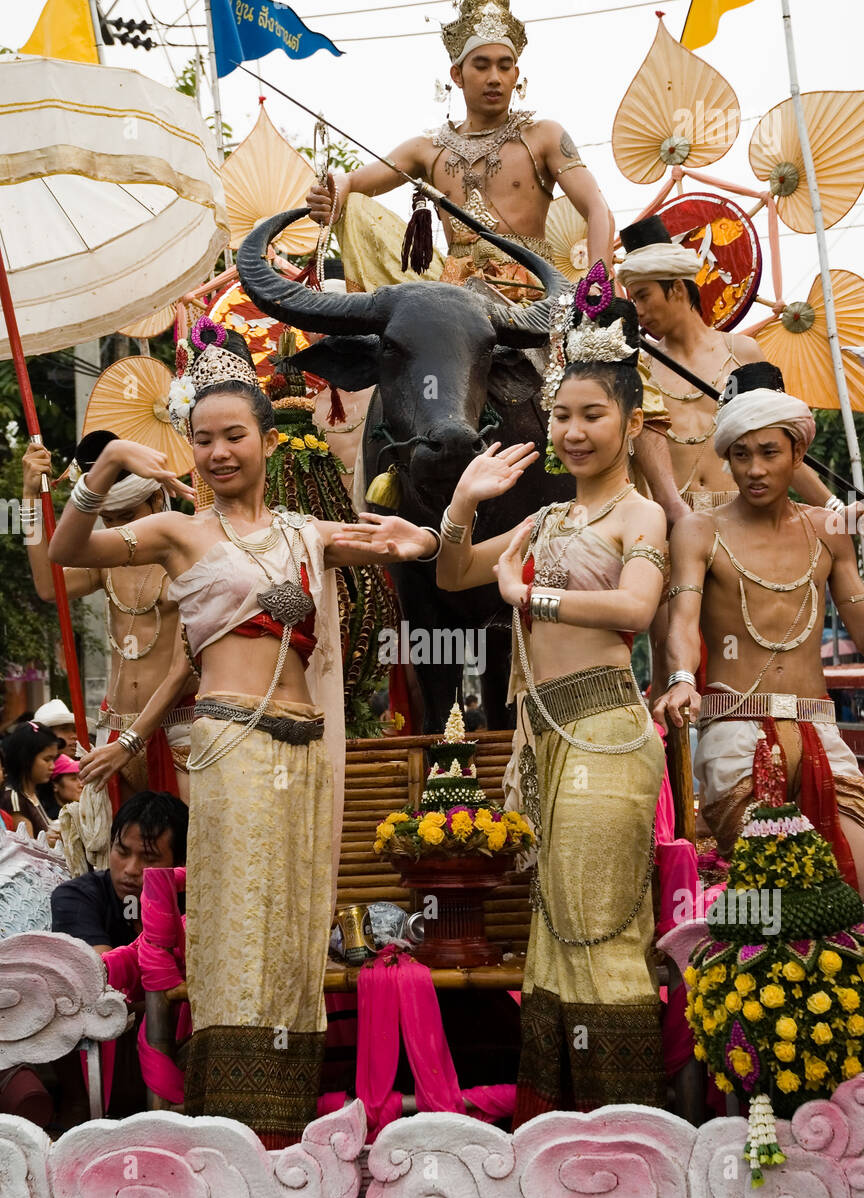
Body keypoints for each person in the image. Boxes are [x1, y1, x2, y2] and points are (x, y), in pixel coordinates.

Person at [48, 323, 440, 1147]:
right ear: (187, 448)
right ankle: (230, 1126)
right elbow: (67, 548)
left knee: (295, 923)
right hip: (231, 745)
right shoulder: (179, 531)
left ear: (267, 439)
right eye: (203, 439)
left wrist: (438, 522)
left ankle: (285, 1125)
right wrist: (110, 466)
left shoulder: (305, 533)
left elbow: (410, 543)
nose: (219, 452)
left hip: (305, 743)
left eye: (234, 436)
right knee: (236, 918)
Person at [437, 287, 668, 1122]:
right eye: (560, 415)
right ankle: (561, 1129)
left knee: (597, 923)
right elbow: (454, 574)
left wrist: (531, 602)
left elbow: (637, 609)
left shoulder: (638, 515)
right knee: (557, 924)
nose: (571, 432)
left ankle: (628, 1130)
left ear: (630, 425)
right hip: (543, 733)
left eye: (592, 415)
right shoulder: (544, 520)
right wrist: (463, 503)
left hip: (605, 727)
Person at [654, 364, 864, 891]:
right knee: (771, 893)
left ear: (797, 453)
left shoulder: (829, 532)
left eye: (769, 453)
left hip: (820, 726)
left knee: (854, 883)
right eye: (740, 455)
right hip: (735, 730)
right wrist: (681, 678)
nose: (754, 469)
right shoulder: (699, 532)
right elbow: (681, 620)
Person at [307, 0, 613, 300]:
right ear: (457, 75)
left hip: (531, 296)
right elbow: (353, 181)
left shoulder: (543, 136)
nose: (494, 77)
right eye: (481, 66)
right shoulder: (428, 149)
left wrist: (598, 282)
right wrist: (333, 193)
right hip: (454, 298)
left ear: (515, 76)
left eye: (504, 66)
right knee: (360, 212)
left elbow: (596, 207)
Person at [617, 214, 832, 522]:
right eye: (632, 300)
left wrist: (838, 509)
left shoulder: (741, 353)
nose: (638, 311)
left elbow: (778, 449)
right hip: (670, 525)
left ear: (677, 289)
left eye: (643, 296)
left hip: (743, 521)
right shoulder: (640, 367)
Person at [22, 434, 196, 809]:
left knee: (182, 854)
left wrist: (132, 740)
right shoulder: (108, 560)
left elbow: (182, 671)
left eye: (129, 517)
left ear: (157, 500)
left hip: (177, 728)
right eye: (109, 519)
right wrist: (30, 500)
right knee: (119, 855)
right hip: (113, 730)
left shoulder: (186, 557)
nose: (120, 530)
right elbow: (46, 586)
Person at [51, 791, 188, 953]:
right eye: (122, 852)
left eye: (149, 858)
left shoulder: (195, 903)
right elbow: (100, 972)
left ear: (180, 864)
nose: (130, 869)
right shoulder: (77, 897)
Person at [0, 721, 61, 844]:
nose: (52, 766)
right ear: (26, 758)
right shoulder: (14, 798)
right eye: (47, 759)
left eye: (54, 759)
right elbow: (26, 849)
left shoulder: (30, 793)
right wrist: (45, 842)